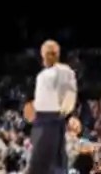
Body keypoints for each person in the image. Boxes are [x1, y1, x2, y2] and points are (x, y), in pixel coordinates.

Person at [23, 40, 78, 174]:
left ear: (58, 54)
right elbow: (35, 102)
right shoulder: (41, 76)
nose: (50, 56)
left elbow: (71, 92)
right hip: (40, 121)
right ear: (42, 54)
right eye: (48, 53)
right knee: (39, 162)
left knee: (51, 163)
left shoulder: (64, 71)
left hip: (53, 120)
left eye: (53, 53)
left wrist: (65, 112)